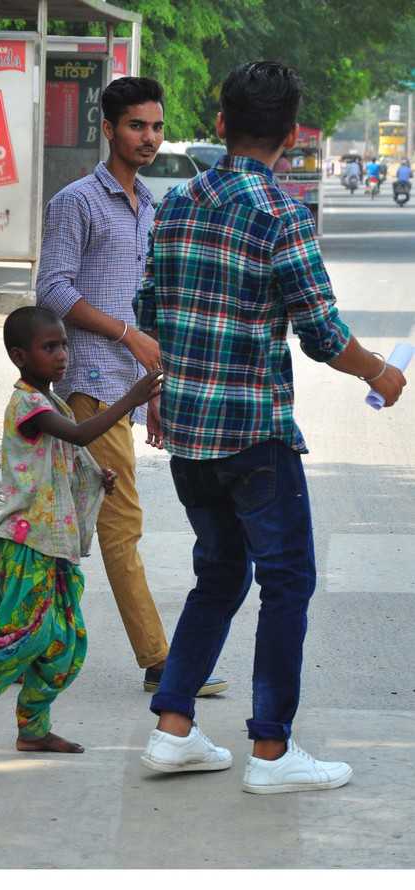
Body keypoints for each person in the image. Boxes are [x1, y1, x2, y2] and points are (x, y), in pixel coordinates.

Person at [135, 61, 406, 792]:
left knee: (219, 575)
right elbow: (321, 332)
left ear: (221, 125)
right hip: (254, 433)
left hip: (188, 431)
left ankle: (173, 730)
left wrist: (164, 391)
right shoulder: (281, 212)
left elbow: (150, 312)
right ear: (291, 136)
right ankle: (272, 752)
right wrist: (380, 370)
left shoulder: (177, 203)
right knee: (288, 582)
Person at [36, 76, 227, 697]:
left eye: (156, 127)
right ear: (109, 129)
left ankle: (17, 649)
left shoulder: (151, 204)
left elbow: (147, 305)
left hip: (125, 387)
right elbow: (54, 292)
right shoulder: (77, 202)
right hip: (85, 387)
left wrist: (154, 386)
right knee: (120, 525)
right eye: (137, 126)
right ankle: (159, 661)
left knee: (54, 528)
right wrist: (125, 336)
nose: (149, 138)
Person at [0, 307, 162, 754]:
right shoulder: (27, 403)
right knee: (27, 632)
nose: (61, 355)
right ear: (20, 356)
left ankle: (33, 728)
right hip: (24, 543)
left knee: (66, 643)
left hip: (53, 544)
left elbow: (66, 459)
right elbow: (77, 436)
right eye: (49, 347)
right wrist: (129, 400)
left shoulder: (50, 401)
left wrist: (98, 478)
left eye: (64, 345)